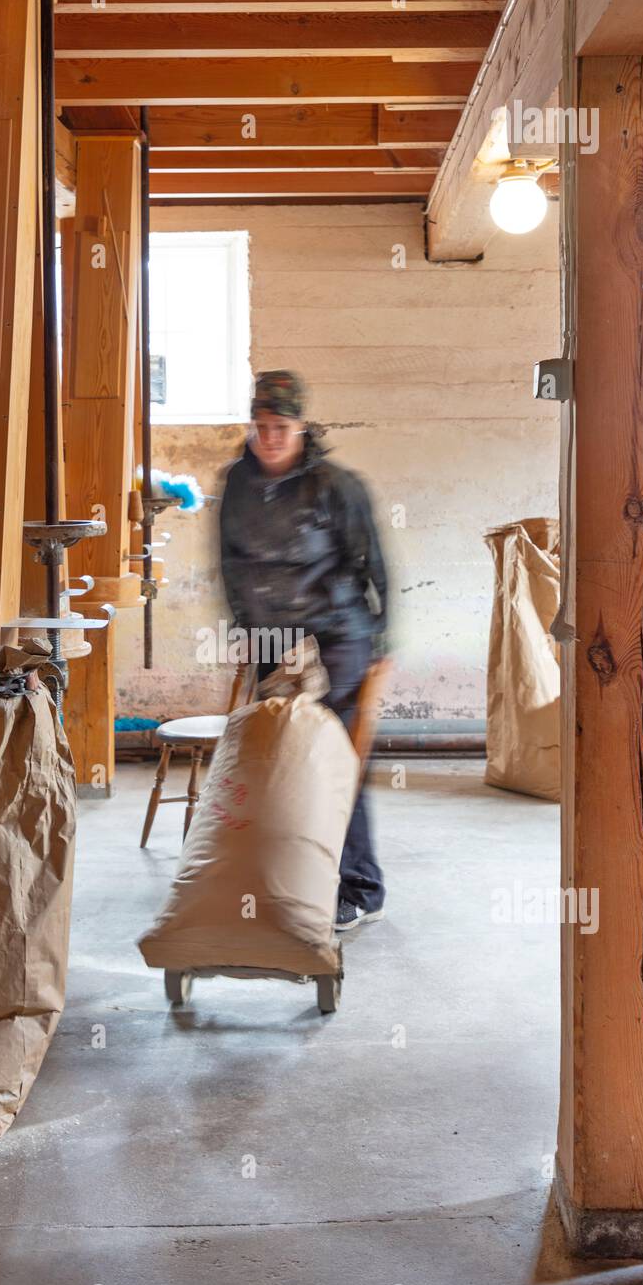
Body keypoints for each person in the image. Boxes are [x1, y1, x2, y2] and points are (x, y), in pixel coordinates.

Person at [218, 369, 390, 932]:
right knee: (278, 759)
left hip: (337, 634)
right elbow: (231, 563)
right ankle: (290, 875)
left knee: (328, 755)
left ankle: (357, 886)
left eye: (282, 427)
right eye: (262, 426)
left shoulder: (336, 486)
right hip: (272, 636)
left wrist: (380, 644)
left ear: (300, 428)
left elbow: (373, 565)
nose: (270, 438)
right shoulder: (237, 485)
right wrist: (244, 630)